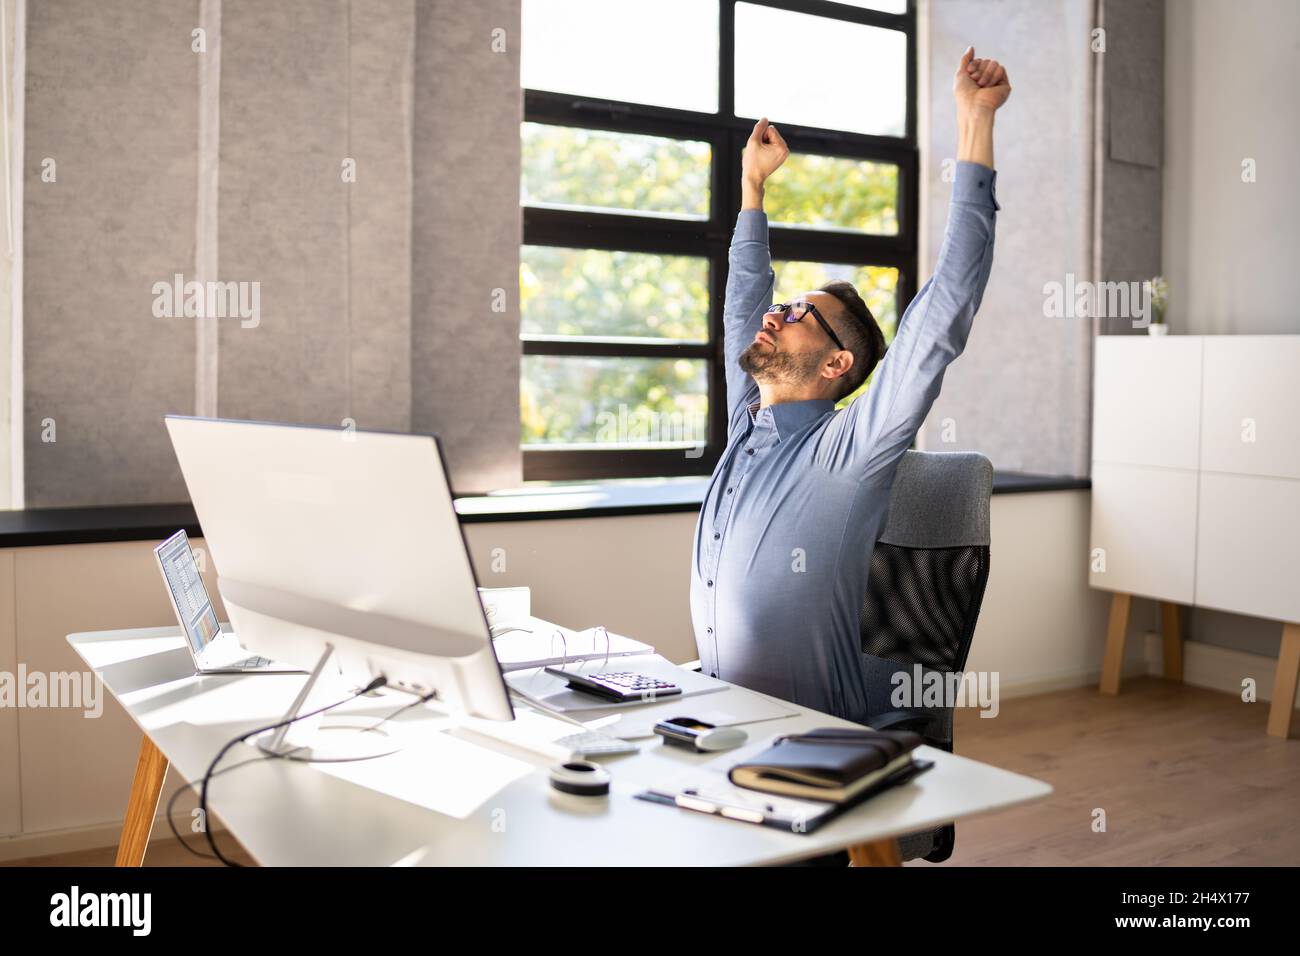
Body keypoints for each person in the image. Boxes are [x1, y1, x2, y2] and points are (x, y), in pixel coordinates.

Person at [690, 47, 1011, 723]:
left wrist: (974, 122)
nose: (775, 315)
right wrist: (752, 188)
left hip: (811, 749)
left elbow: (946, 305)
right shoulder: (749, 419)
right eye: (783, 308)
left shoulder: (851, 448)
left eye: (800, 314)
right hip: (722, 727)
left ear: (838, 366)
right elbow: (743, 303)